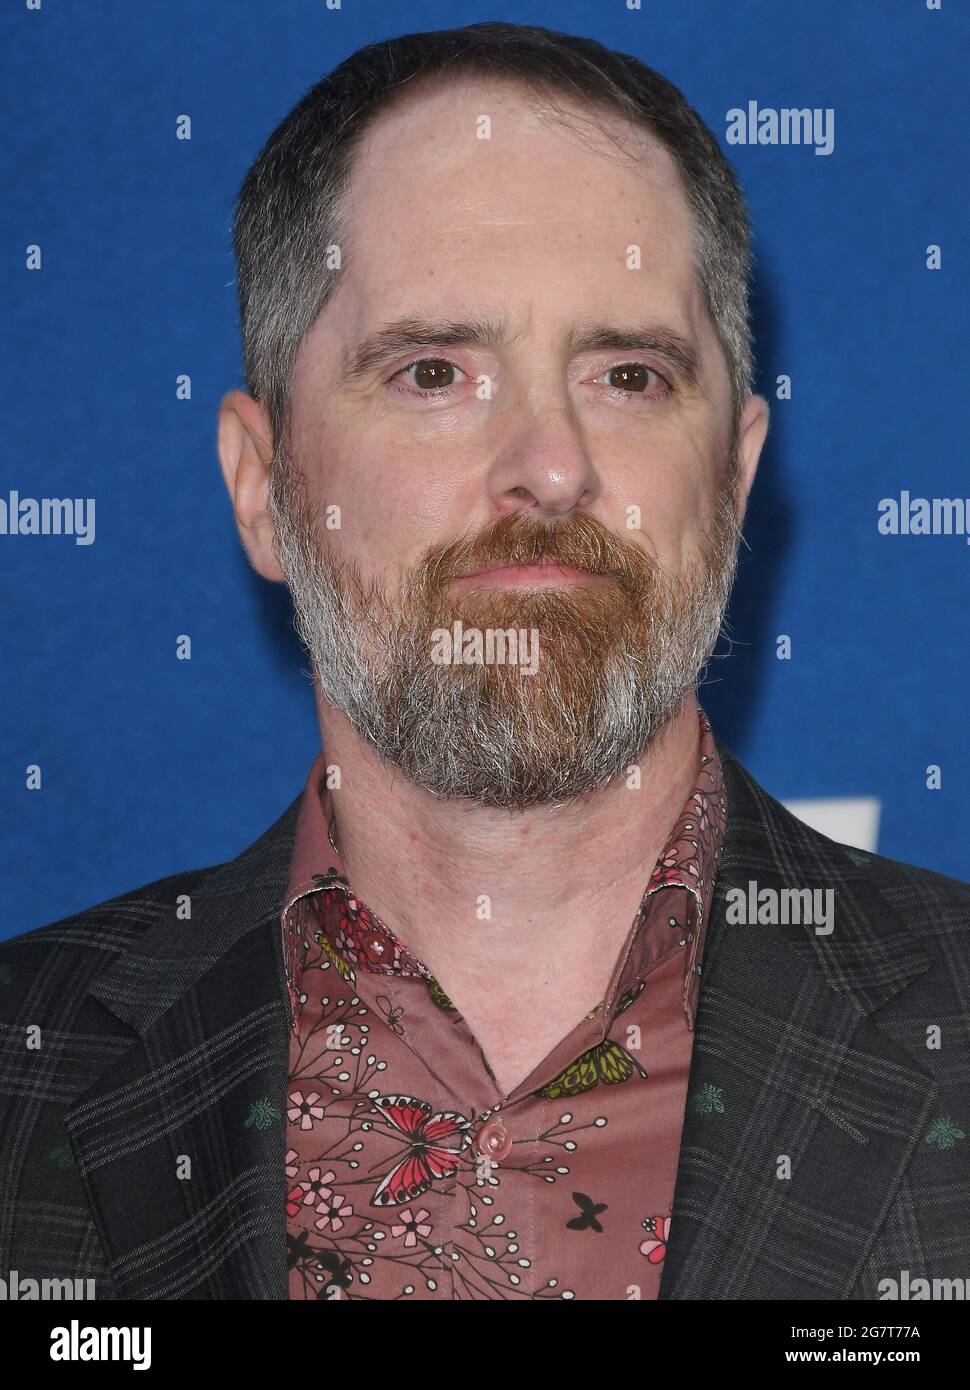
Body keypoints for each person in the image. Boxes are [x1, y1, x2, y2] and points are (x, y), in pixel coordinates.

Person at [2, 21, 968, 1303]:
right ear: (261, 488)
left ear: (733, 480)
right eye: (434, 370)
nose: (552, 465)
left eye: (628, 374)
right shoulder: (29, 1069)